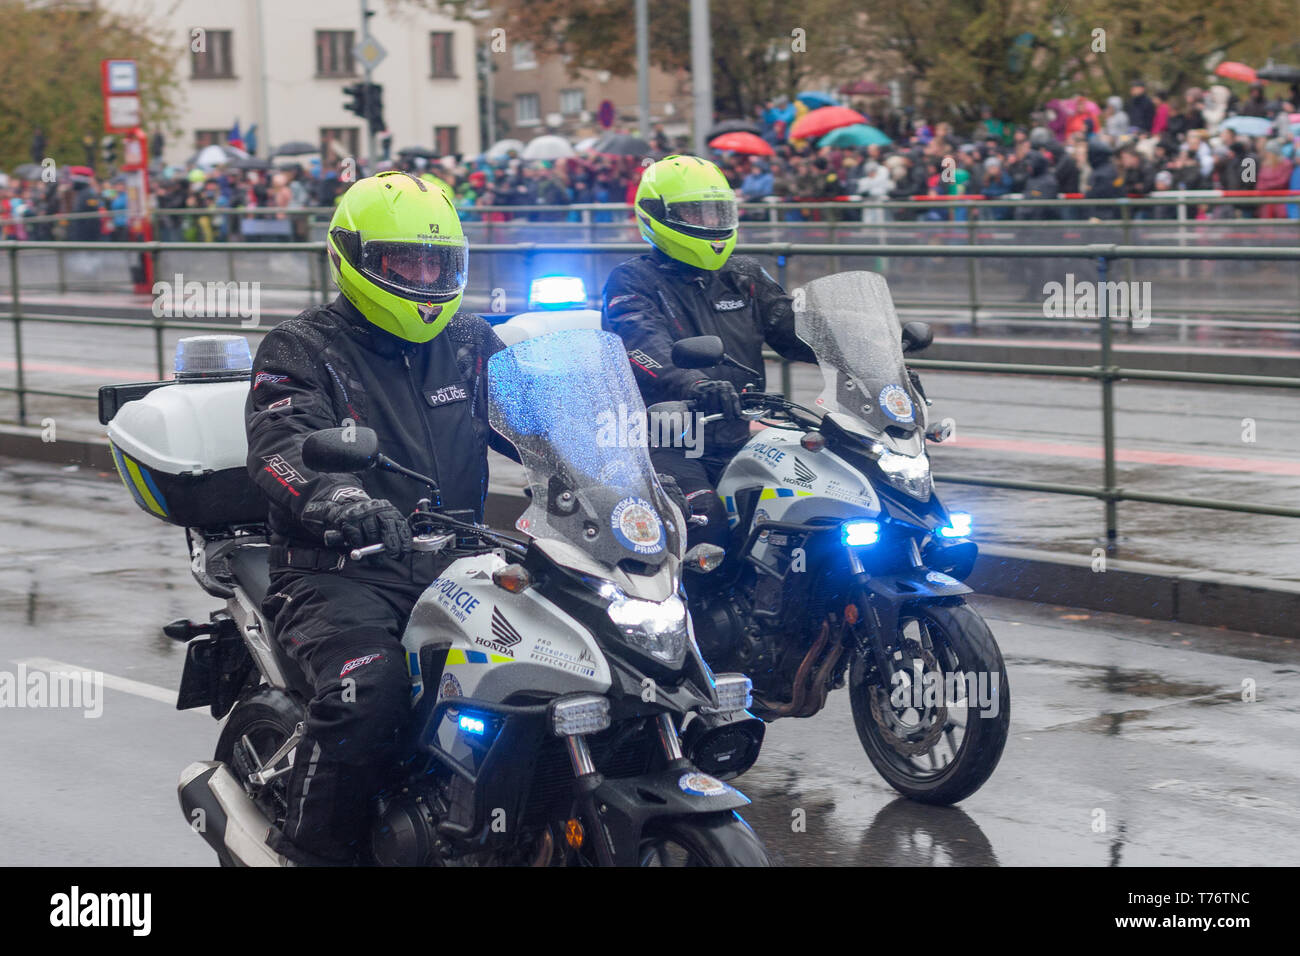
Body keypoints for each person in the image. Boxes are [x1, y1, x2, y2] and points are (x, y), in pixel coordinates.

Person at [245, 170, 510, 865]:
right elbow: (280, 447)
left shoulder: (472, 342)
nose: (424, 278)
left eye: (438, 263)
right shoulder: (301, 348)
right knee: (372, 692)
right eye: (404, 261)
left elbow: (538, 424)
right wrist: (341, 501)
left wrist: (613, 454)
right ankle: (311, 853)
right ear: (355, 258)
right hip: (337, 573)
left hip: (460, 564)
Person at [600, 155, 816, 553]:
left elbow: (794, 328)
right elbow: (642, 348)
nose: (710, 224)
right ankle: (685, 613)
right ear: (655, 215)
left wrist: (861, 350)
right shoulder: (632, 281)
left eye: (717, 213)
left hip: (739, 433)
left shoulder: (745, 276)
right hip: (666, 441)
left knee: (808, 510)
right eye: (694, 213)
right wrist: (695, 384)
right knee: (707, 523)